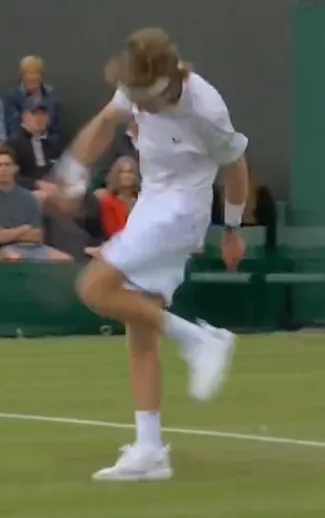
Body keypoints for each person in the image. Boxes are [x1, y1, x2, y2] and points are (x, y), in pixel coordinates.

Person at [42, 27, 245, 481]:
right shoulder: (137, 83)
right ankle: (151, 451)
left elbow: (236, 167)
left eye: (146, 99)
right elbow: (104, 123)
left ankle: (199, 339)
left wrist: (232, 228)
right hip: (152, 203)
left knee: (94, 286)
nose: (140, 107)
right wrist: (72, 175)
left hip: (184, 209)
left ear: (170, 82)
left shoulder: (206, 109)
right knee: (139, 329)